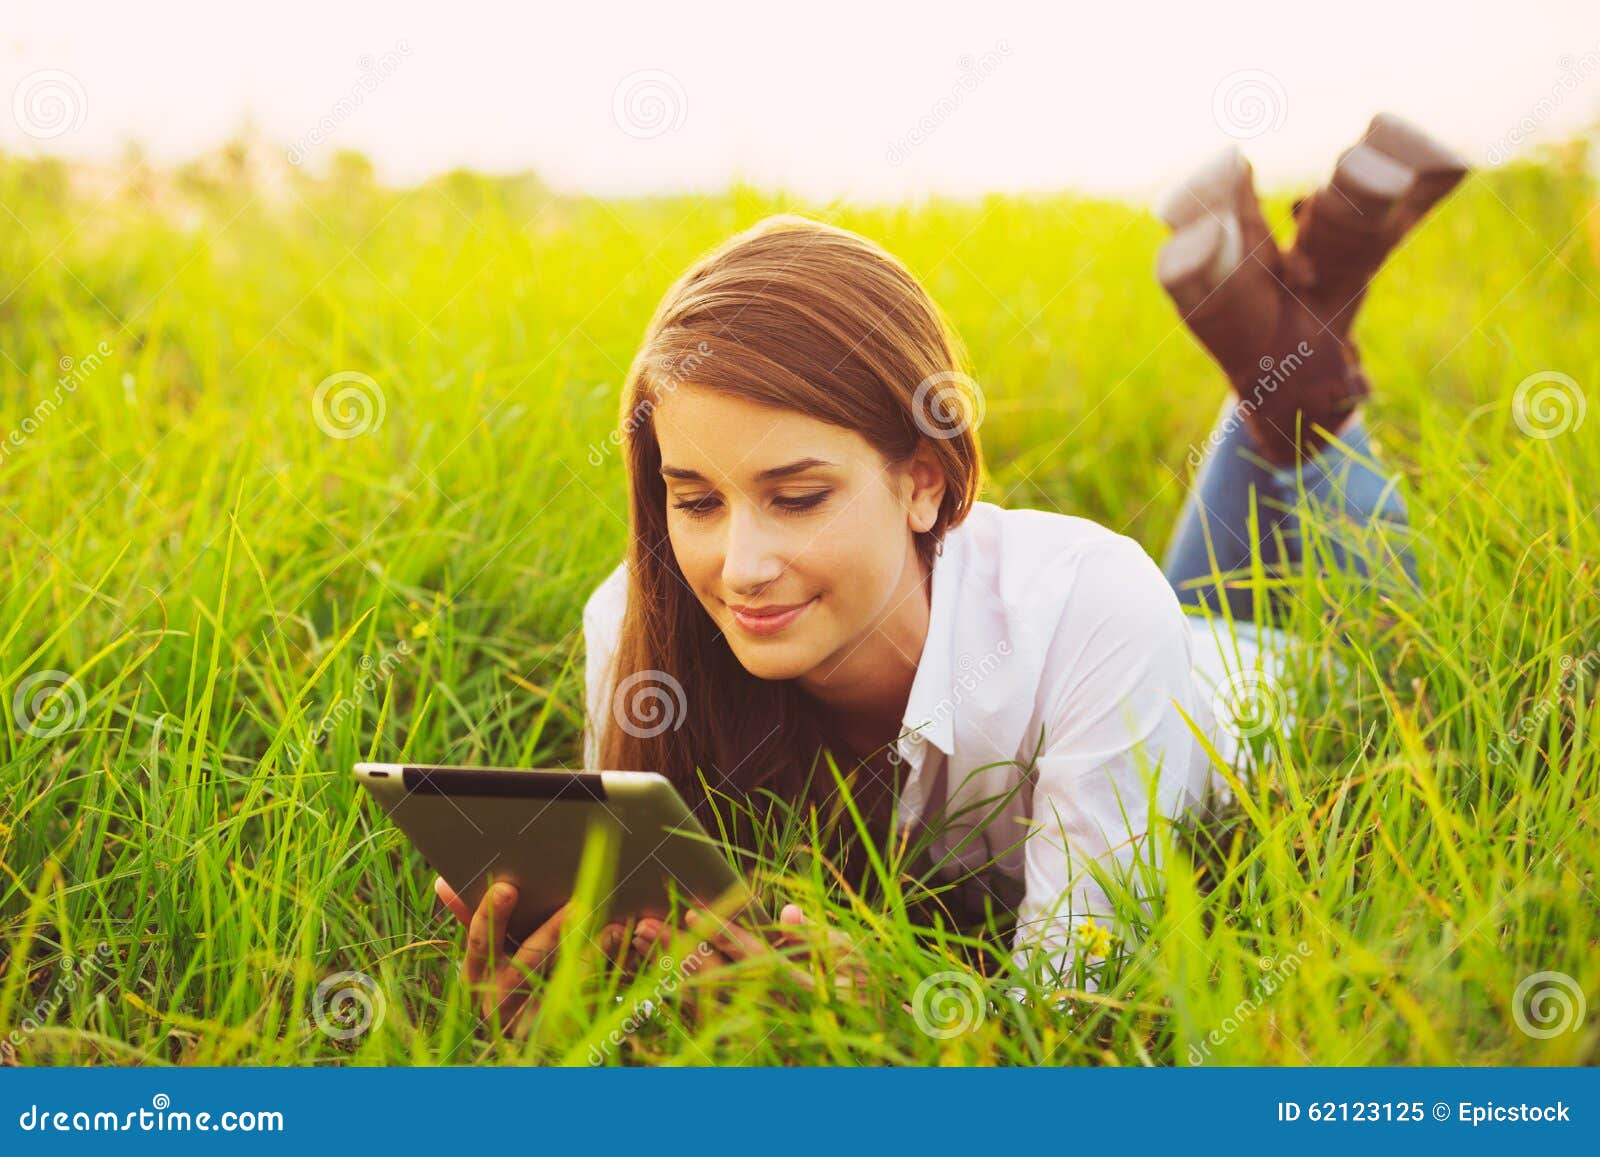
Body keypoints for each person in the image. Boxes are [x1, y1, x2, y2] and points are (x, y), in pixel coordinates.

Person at [436, 114, 1466, 1035]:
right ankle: (1304, 309)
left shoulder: (1090, 606)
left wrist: (896, 1011)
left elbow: (1072, 1008)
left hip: (1300, 671)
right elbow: (656, 955)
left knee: (1302, 437)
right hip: (1150, 648)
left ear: (923, 480)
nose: (738, 568)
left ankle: (1304, 359)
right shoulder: (634, 622)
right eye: (696, 499)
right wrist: (578, 1006)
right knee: (1267, 415)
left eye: (797, 497)